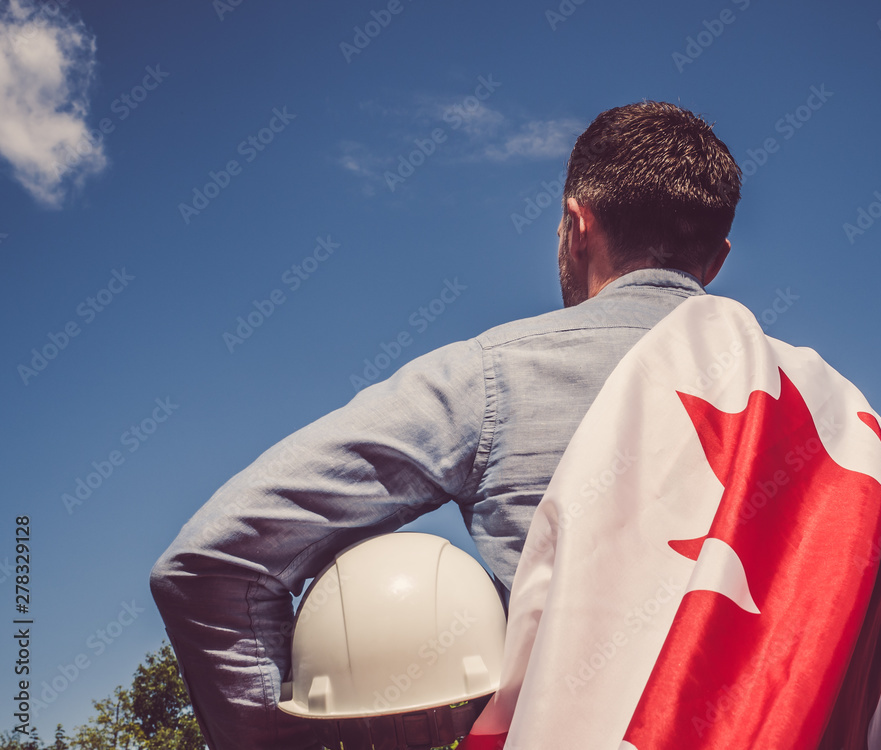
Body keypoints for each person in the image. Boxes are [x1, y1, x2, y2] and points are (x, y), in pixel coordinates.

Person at [149, 100, 743, 750]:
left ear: (577, 225)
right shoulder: (838, 420)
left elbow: (211, 560)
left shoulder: (491, 378)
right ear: (715, 258)